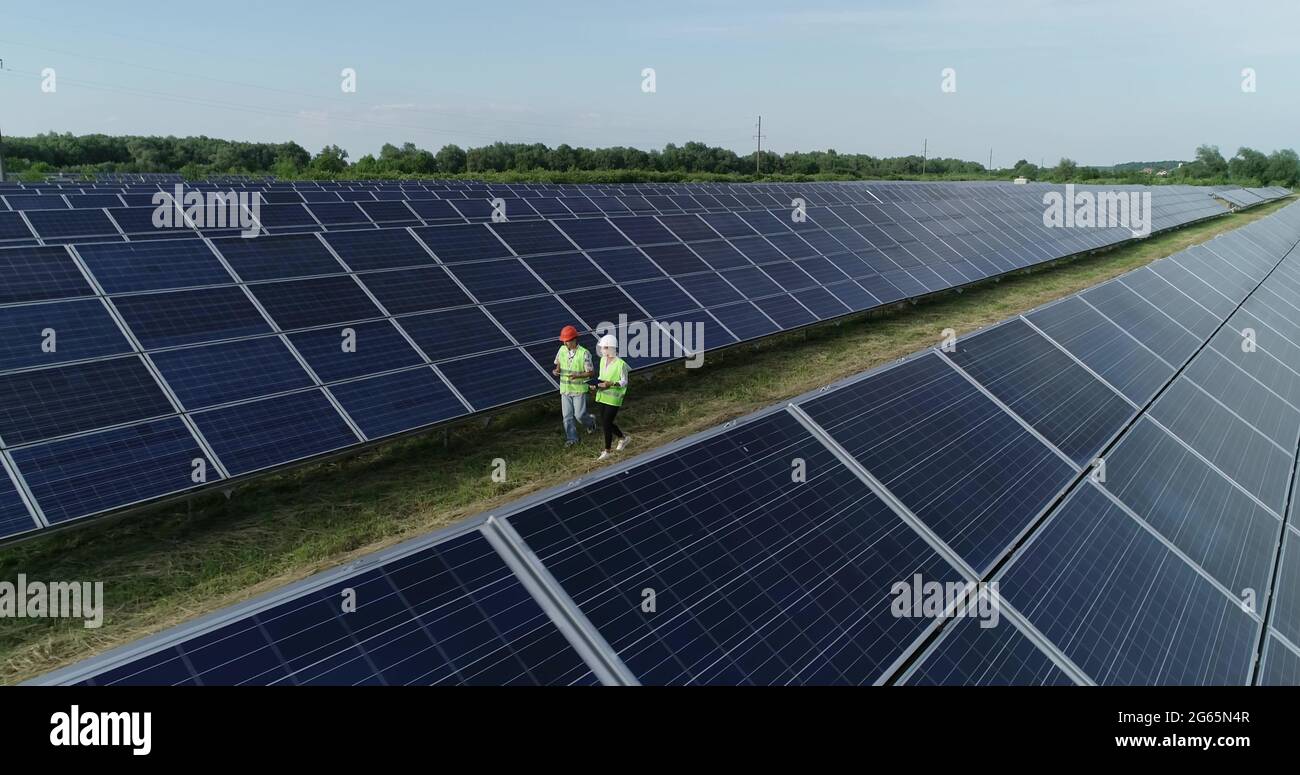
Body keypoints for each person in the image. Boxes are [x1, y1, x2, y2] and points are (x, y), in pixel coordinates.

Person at [553, 325, 595, 446]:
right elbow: (558, 364)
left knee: (579, 415)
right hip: (565, 389)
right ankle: (572, 439)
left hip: (578, 389)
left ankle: (591, 422)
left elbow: (591, 372)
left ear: (574, 339)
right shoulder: (561, 350)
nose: (565, 343)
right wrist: (556, 371)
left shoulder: (584, 353)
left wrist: (578, 375)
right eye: (564, 341)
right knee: (567, 416)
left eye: (567, 341)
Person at [592, 333, 630, 461]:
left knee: (607, 422)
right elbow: (601, 377)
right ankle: (624, 439)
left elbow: (624, 381)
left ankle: (607, 450)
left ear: (611, 348)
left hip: (614, 398)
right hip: (602, 395)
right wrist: (595, 385)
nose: (602, 350)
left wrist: (612, 383)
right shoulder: (602, 361)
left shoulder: (621, 364)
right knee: (606, 422)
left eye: (604, 347)